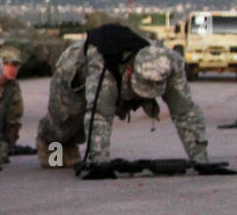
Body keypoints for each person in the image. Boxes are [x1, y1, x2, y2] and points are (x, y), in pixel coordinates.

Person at [35, 23, 224, 176]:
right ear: (132, 70)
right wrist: (100, 163)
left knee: (73, 137)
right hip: (74, 73)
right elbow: (99, 115)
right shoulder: (104, 65)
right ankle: (54, 155)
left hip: (118, 78)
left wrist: (201, 160)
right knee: (63, 124)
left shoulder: (170, 64)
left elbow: (186, 113)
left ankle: (69, 150)